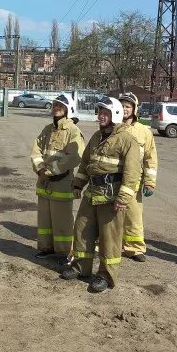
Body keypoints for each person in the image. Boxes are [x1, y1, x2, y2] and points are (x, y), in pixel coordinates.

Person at [61, 97, 141, 293]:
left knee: (109, 239)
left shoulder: (127, 140)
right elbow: (86, 163)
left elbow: (132, 173)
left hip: (111, 197)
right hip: (92, 193)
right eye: (100, 112)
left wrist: (123, 199)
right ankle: (81, 267)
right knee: (82, 230)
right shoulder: (96, 136)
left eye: (105, 113)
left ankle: (106, 276)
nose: (101, 116)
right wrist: (78, 184)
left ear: (114, 115)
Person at [29, 94, 85, 260]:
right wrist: (39, 169)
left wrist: (50, 171)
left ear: (68, 109)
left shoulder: (73, 131)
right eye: (54, 105)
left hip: (61, 183)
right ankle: (46, 248)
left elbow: (74, 157)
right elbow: (36, 150)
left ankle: (64, 252)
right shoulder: (48, 129)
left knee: (62, 221)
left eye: (60, 105)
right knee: (44, 220)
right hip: (44, 182)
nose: (56, 108)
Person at [118, 92, 158, 262]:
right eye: (121, 106)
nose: (124, 109)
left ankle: (134, 248)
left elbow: (150, 158)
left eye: (128, 106)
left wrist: (150, 182)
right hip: (112, 181)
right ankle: (105, 243)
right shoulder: (113, 127)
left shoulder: (144, 132)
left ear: (134, 109)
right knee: (109, 216)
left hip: (134, 182)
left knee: (133, 216)